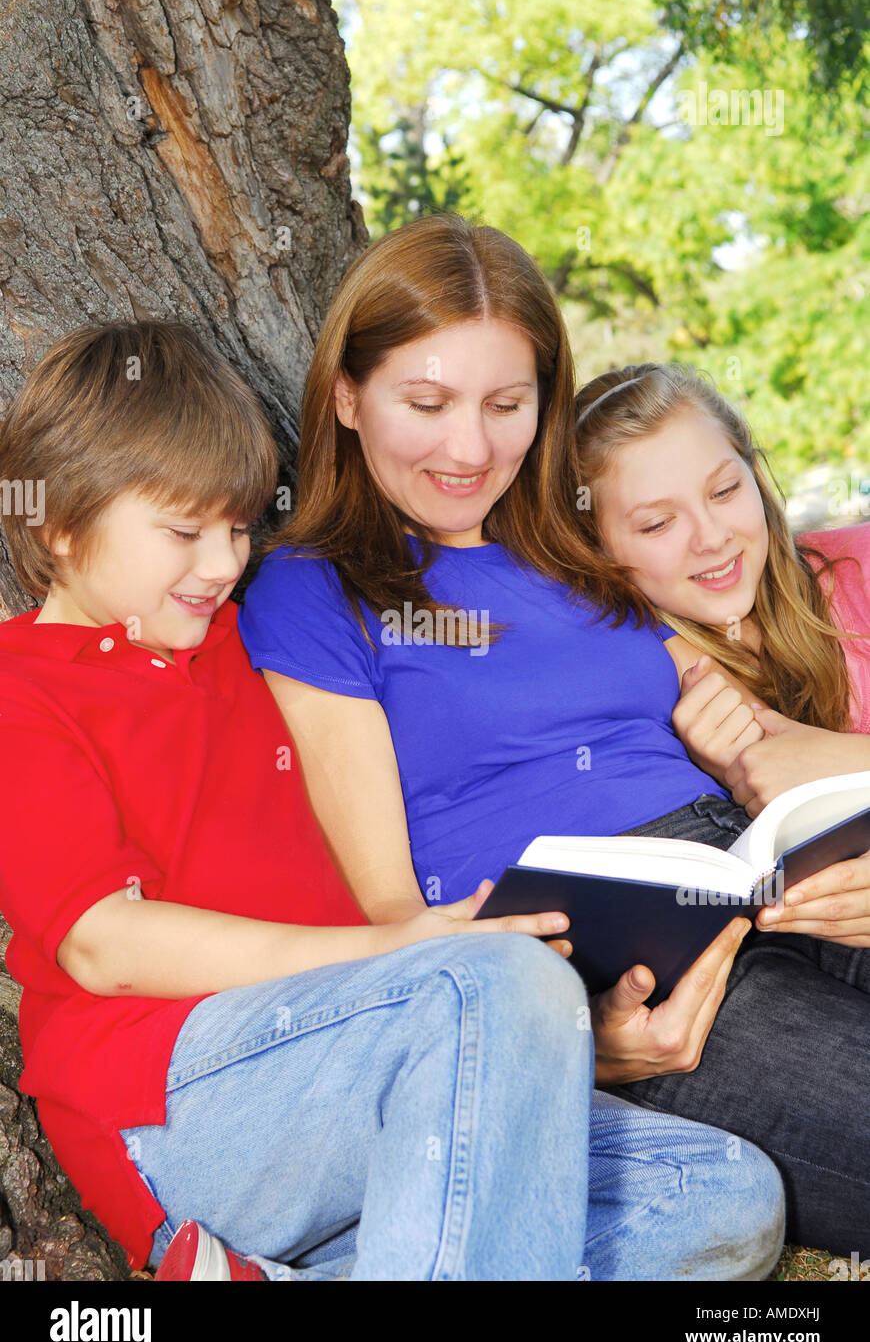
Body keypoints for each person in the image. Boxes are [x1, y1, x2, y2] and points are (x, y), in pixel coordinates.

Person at [0, 320, 784, 1284]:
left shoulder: (253, 643)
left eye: (240, 526)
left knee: (724, 1192)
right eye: (183, 531)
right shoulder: (21, 689)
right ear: (58, 523)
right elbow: (100, 944)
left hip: (377, 1083)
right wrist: (397, 950)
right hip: (172, 1100)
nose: (221, 562)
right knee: (491, 978)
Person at [236, 213, 866, 1254]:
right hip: (615, 963)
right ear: (346, 396)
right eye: (427, 403)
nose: (469, 447)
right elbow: (392, 909)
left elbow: (761, 744)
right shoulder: (314, 591)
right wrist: (573, 1041)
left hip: (751, 877)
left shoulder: (575, 557)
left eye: (506, 404)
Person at [568, 360, 870, 1246]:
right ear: (596, 553)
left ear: (756, 472)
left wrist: (832, 757)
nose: (711, 540)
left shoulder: (852, 576)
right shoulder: (634, 684)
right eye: (658, 523)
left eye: (725, 489)